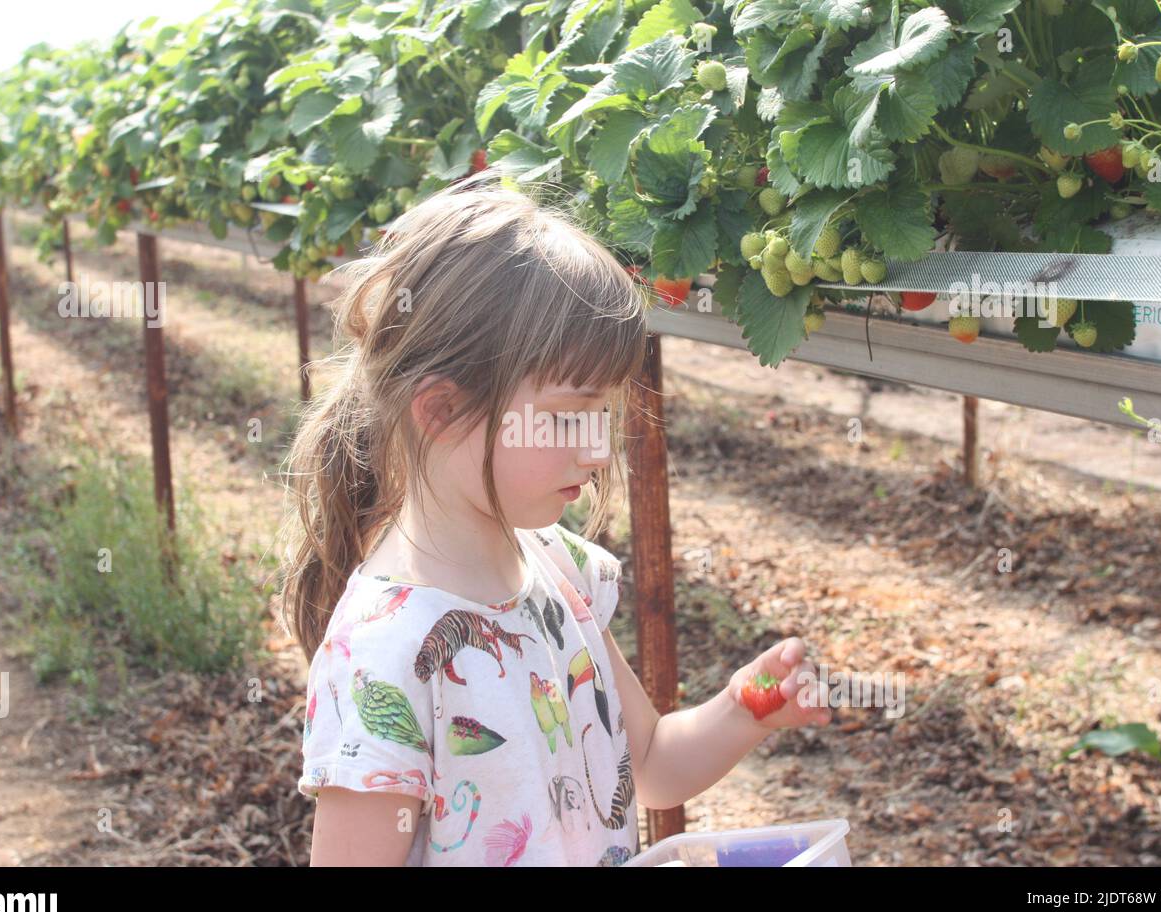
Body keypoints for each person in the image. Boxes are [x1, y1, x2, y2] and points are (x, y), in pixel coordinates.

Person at [277, 168, 831, 866]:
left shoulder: (556, 568)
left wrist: (742, 710)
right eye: (571, 418)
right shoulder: (385, 657)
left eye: (605, 414)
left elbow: (652, 762)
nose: (599, 450)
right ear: (443, 411)